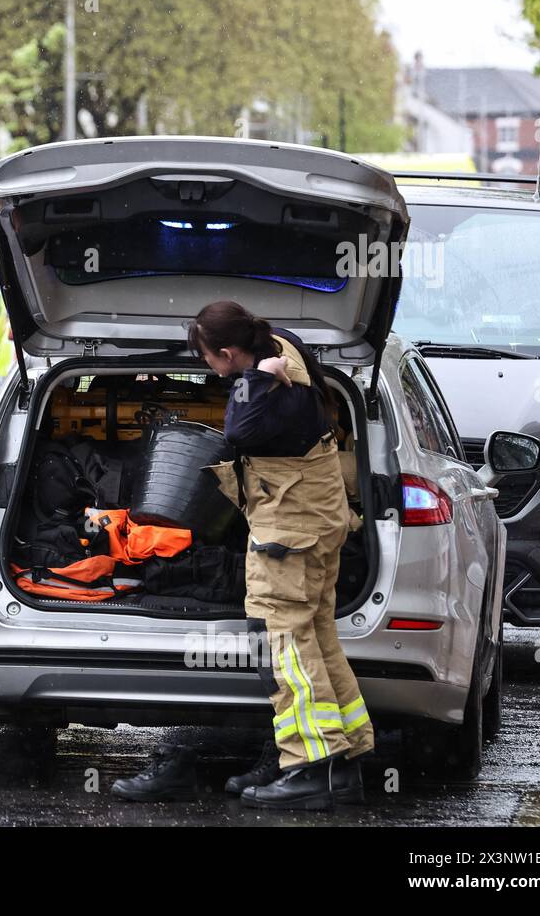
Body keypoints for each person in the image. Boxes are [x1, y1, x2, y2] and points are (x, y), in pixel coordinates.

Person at [112, 300, 374, 809]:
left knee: (282, 642)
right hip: (318, 521)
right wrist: (260, 372)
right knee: (316, 636)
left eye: (212, 359)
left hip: (291, 531)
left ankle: (309, 765)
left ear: (229, 353)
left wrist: (254, 381)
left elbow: (237, 431)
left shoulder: (265, 390)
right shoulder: (282, 345)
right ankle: (341, 764)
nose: (211, 368)